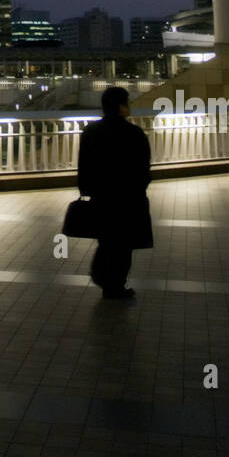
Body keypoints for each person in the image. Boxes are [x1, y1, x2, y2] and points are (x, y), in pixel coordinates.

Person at [77, 85, 152, 301]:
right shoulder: (134, 133)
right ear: (121, 107)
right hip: (128, 198)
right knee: (124, 245)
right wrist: (139, 189)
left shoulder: (91, 131)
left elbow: (84, 165)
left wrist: (86, 190)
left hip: (101, 196)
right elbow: (142, 168)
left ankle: (105, 280)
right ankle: (116, 285)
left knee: (106, 240)